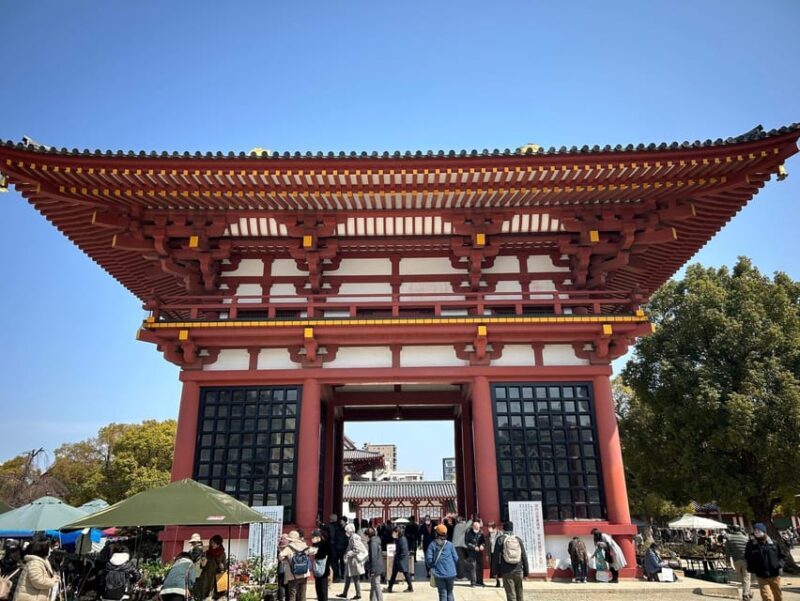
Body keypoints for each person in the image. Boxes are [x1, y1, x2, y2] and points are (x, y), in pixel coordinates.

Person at [745, 523, 785, 601]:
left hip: (774, 574)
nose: (757, 533)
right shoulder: (751, 544)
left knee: (778, 595)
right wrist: (752, 569)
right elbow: (748, 557)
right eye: (755, 531)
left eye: (759, 531)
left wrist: (779, 565)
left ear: (764, 531)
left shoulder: (774, 543)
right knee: (766, 596)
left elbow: (782, 556)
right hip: (761, 575)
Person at [492, 521, 529, 601]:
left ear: (503, 529)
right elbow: (524, 556)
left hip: (506, 571)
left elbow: (495, 557)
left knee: (511, 594)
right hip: (519, 570)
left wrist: (495, 572)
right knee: (520, 593)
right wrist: (526, 572)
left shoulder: (500, 539)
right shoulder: (518, 539)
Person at [426, 524, 458, 601]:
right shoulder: (450, 545)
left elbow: (429, 560)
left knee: (442, 593)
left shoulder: (432, 545)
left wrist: (433, 566)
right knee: (450, 592)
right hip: (451, 573)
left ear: (436, 533)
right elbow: (456, 558)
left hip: (439, 573)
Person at [193, 535, 226, 601]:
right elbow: (202, 566)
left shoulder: (222, 553)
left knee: (213, 596)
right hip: (206, 577)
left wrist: (221, 566)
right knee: (203, 595)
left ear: (218, 543)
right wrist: (203, 562)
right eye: (211, 542)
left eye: (213, 543)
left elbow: (223, 568)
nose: (211, 544)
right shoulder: (207, 553)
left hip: (216, 578)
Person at [339, 523, 367, 600]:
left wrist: (348, 553)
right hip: (351, 561)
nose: (346, 532)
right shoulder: (352, 537)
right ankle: (345, 593)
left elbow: (356, 550)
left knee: (355, 578)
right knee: (348, 577)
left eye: (347, 530)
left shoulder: (354, 538)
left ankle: (358, 594)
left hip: (354, 561)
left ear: (350, 530)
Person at [279, 531, 310, 601]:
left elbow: (280, 556)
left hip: (293, 574)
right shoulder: (304, 545)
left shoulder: (289, 547)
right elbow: (310, 552)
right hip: (304, 573)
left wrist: (286, 559)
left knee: (292, 594)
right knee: (302, 594)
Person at [725, 525, 751, 600]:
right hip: (746, 560)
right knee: (746, 578)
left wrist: (727, 561)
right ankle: (746, 594)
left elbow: (727, 551)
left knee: (742, 578)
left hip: (736, 560)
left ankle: (747, 593)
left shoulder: (729, 539)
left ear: (732, 530)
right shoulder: (746, 538)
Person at [386, 526, 412, 593]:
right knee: (394, 574)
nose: (393, 534)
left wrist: (399, 558)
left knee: (406, 573)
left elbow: (403, 551)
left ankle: (410, 587)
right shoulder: (398, 539)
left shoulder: (402, 539)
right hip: (398, 559)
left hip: (401, 560)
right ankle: (390, 587)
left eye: (394, 532)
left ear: (397, 532)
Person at [309, 529, 331, 601]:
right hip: (317, 569)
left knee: (323, 589)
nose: (312, 538)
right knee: (318, 588)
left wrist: (317, 551)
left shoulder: (324, 544)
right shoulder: (314, 545)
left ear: (318, 537)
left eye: (313, 537)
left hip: (324, 570)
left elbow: (328, 554)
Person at [464, 519, 485, 587]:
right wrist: (473, 547)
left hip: (479, 552)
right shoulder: (468, 532)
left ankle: (480, 581)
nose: (477, 529)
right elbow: (467, 542)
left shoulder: (481, 532)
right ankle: (473, 582)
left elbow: (483, 541)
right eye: (476, 528)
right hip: (471, 552)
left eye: (478, 528)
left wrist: (482, 545)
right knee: (473, 567)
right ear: (473, 527)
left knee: (480, 567)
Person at [365, 528, 384, 601]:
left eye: (366, 535)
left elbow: (373, 557)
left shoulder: (373, 543)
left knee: (376, 584)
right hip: (377, 566)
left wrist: (372, 570)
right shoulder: (376, 540)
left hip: (375, 567)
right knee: (373, 585)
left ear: (368, 535)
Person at [327, 514, 347, 582]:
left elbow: (331, 536)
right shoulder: (341, 526)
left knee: (334, 562)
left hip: (334, 546)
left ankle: (336, 576)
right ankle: (342, 575)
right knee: (342, 561)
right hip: (342, 546)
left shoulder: (330, 526)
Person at [487, 522, 501, 588]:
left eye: (490, 528)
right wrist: (487, 555)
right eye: (488, 528)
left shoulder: (500, 533)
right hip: (492, 553)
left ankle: (504, 581)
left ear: (494, 527)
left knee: (500, 568)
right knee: (494, 568)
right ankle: (497, 581)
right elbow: (487, 546)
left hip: (499, 553)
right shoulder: (488, 535)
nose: (489, 529)